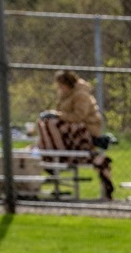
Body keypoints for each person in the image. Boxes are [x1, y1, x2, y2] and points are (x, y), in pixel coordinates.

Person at [36, 69, 115, 199]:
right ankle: (50, 153)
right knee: (44, 122)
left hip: (86, 129)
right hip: (70, 127)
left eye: (61, 85)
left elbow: (79, 116)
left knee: (52, 123)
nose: (59, 88)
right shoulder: (64, 95)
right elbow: (62, 115)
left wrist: (57, 115)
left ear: (69, 83)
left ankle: (57, 151)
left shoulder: (81, 94)